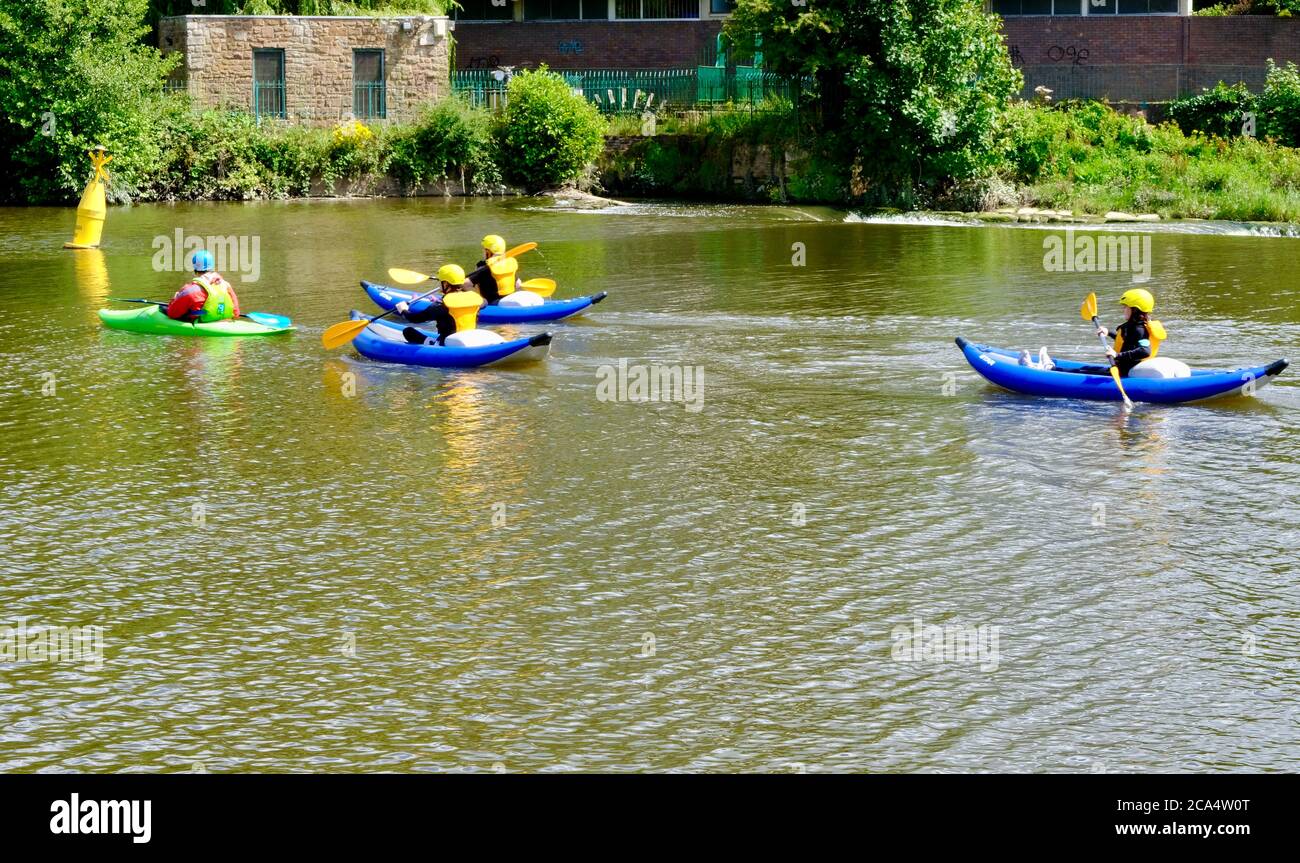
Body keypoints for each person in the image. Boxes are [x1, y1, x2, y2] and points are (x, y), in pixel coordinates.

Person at [1054, 288, 1166, 377]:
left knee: (1081, 372)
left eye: (1125, 307)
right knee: (1086, 369)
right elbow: (1128, 342)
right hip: (1121, 368)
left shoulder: (1139, 329)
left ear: (1135, 309)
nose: (1123, 310)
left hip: (1124, 372)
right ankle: (1053, 367)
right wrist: (1108, 333)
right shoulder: (1135, 326)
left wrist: (1116, 355)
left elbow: (1145, 351)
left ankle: (1051, 369)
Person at [395, 264, 470, 346]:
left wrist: (403, 310)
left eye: (440, 281)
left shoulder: (440, 306)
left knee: (408, 331)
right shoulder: (471, 299)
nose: (439, 285)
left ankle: (433, 343)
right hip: (467, 341)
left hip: (446, 345)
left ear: (445, 284)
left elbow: (415, 319)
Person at [164, 250, 240, 322]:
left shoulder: (190, 290)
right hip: (225, 321)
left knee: (162, 309)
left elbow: (172, 313)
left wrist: (175, 298)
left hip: (201, 323)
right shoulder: (226, 285)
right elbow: (236, 313)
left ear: (195, 268)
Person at [468, 234, 522, 304]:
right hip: (509, 299)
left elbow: (466, 284)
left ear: (488, 251)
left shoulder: (484, 266)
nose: (483, 251)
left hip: (492, 303)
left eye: (484, 249)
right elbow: (518, 284)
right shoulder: (509, 262)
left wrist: (481, 299)